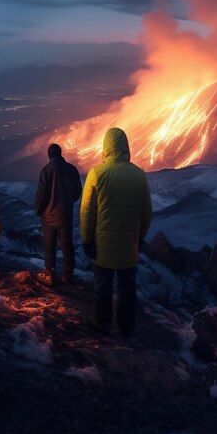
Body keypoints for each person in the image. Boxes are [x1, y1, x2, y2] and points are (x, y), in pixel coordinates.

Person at [80, 127, 152, 338]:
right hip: (129, 245)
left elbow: (87, 211)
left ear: (106, 147)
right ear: (126, 147)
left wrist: (87, 240)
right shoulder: (138, 175)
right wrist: (139, 238)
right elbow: (146, 212)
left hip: (103, 245)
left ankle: (101, 323)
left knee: (102, 286)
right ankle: (126, 326)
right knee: (127, 288)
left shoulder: (97, 173)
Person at [33, 143, 82, 287]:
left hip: (49, 217)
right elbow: (77, 191)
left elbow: (42, 194)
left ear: (49, 155)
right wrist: (68, 202)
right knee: (67, 246)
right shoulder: (72, 169)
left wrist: (39, 210)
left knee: (49, 246)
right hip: (65, 215)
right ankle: (68, 275)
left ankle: (49, 273)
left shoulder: (46, 170)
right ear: (60, 154)